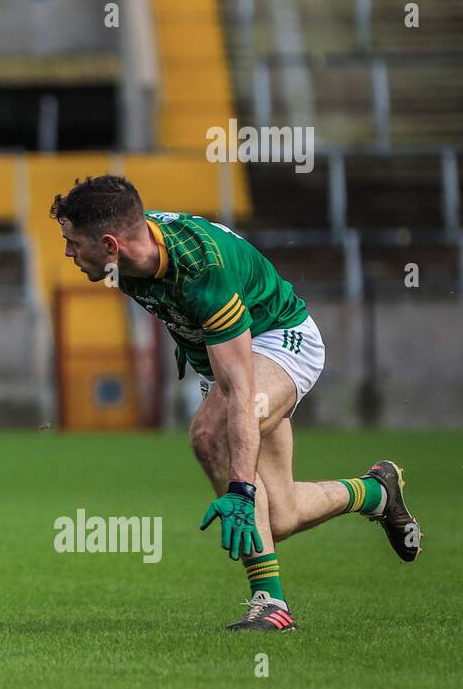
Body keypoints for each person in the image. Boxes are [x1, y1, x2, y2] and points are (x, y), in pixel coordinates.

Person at [51, 175, 420, 631]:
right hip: (230, 358)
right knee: (279, 517)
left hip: (282, 341)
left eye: (73, 242)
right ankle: (378, 492)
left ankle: (270, 605)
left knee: (211, 435)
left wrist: (240, 491)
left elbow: (242, 391)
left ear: (110, 244)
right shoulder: (124, 257)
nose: (68, 252)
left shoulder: (202, 268)